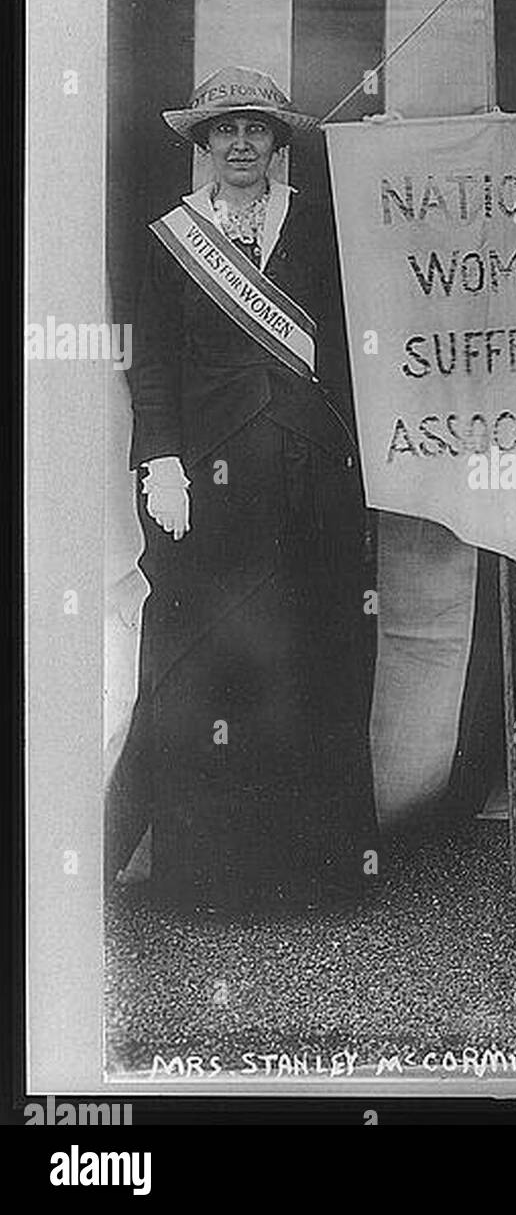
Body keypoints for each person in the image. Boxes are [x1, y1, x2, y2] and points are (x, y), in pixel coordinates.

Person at [105, 66, 376, 910]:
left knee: (310, 662)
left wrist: (352, 458)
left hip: (308, 481)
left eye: (256, 130)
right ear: (203, 145)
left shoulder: (321, 227)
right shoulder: (169, 240)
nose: (241, 146)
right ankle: (211, 877)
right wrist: (161, 463)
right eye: (224, 132)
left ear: (277, 142)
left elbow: (350, 351)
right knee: (206, 671)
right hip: (208, 488)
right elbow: (153, 368)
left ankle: (314, 873)